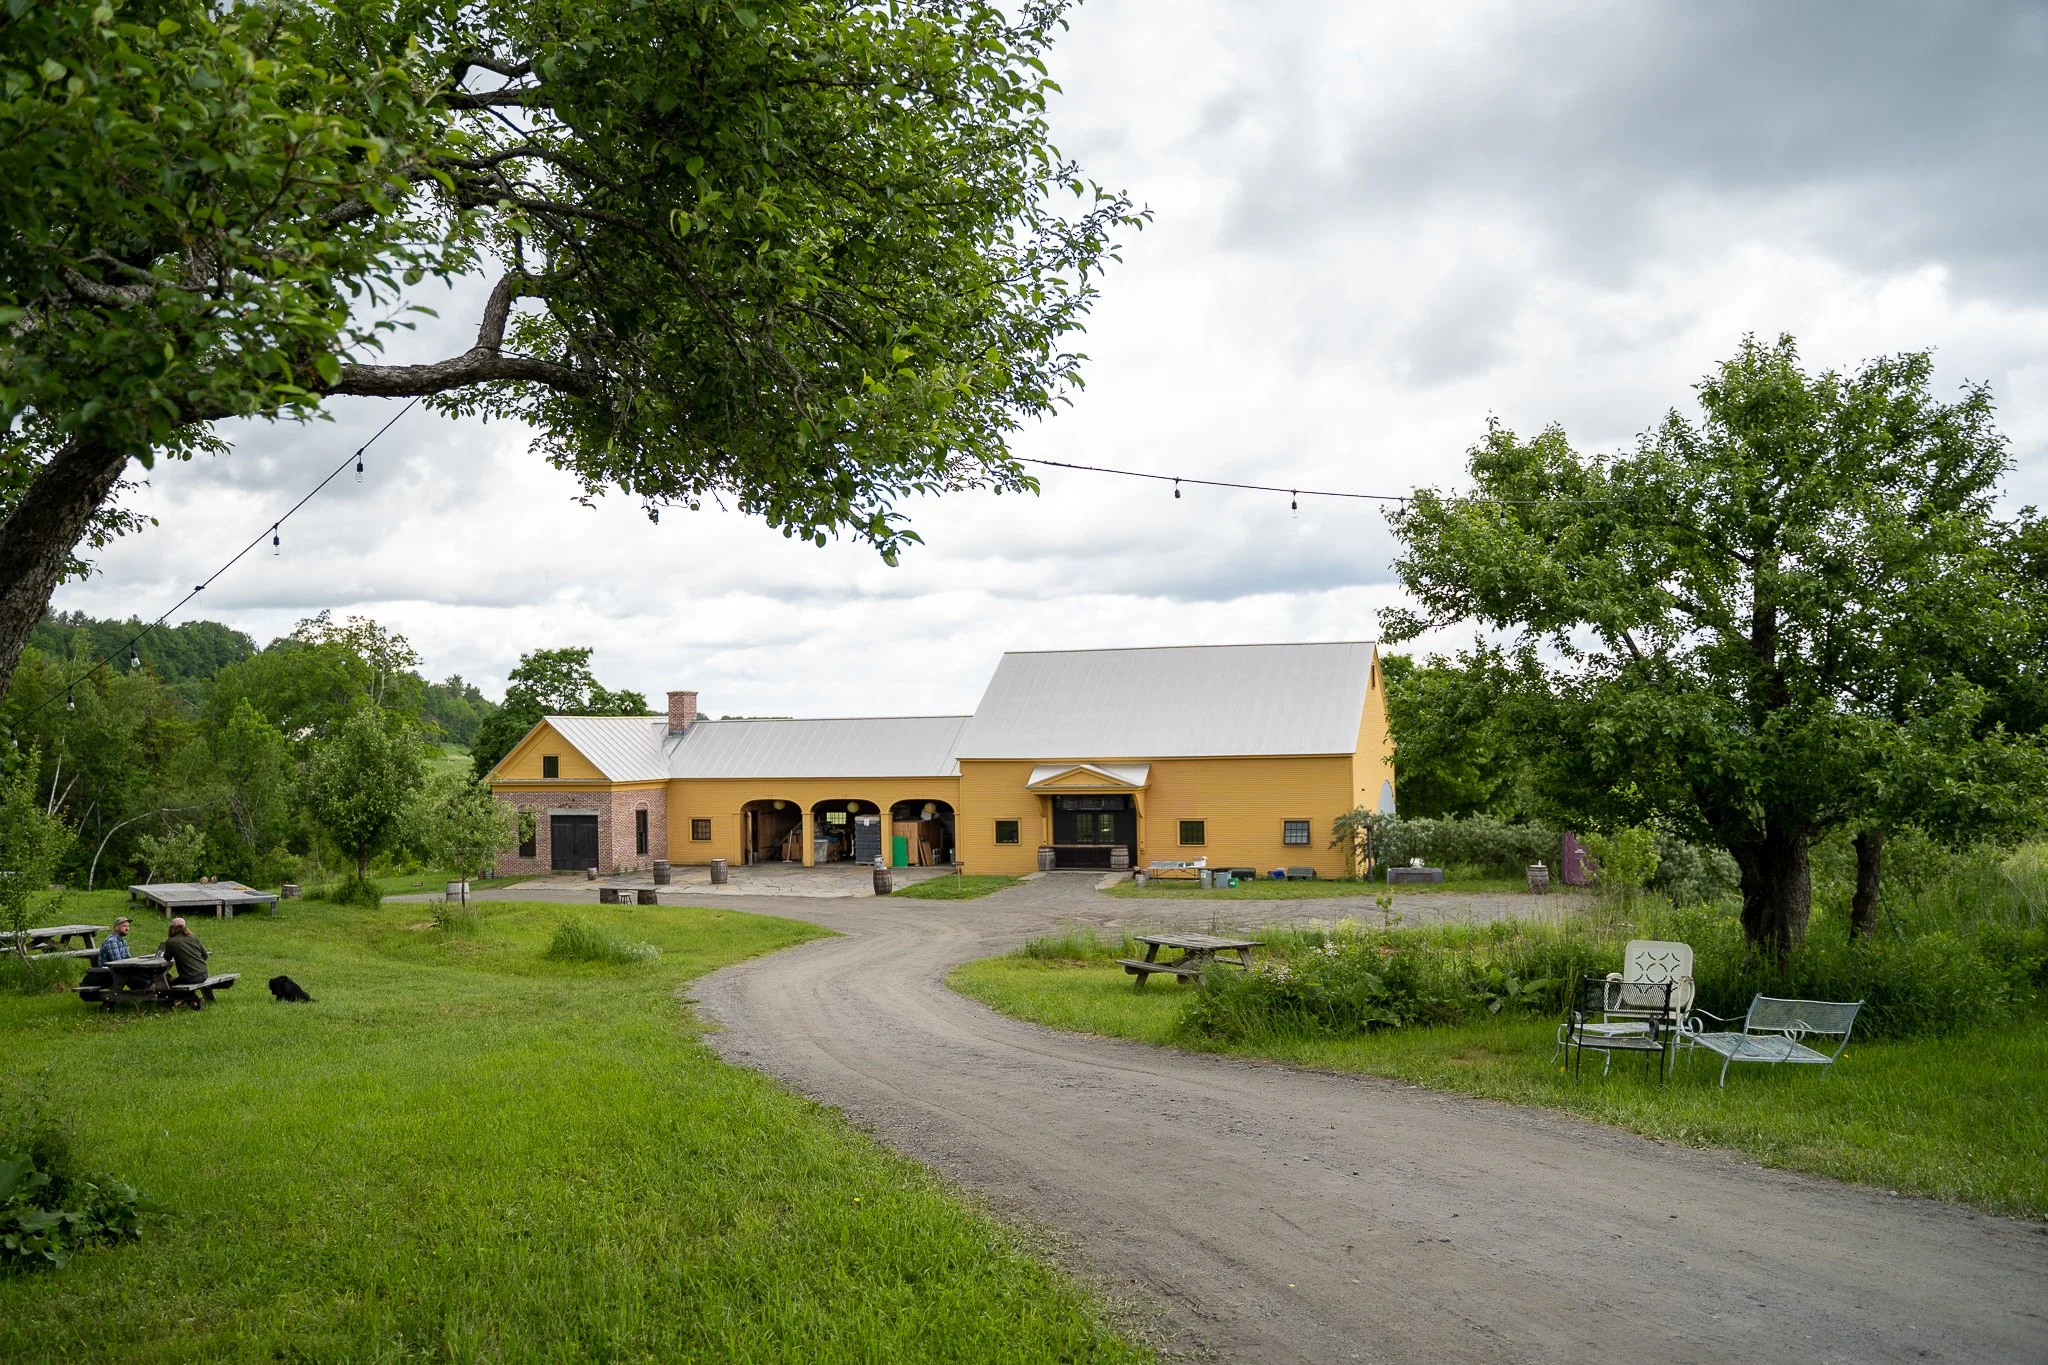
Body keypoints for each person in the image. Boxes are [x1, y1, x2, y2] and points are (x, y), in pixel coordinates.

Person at [157, 917, 211, 985]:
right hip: (204, 974)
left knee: (169, 986)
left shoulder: (171, 942)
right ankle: (192, 995)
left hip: (189, 978)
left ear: (172, 928)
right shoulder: (193, 936)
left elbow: (167, 958)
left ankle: (191, 996)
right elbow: (205, 956)